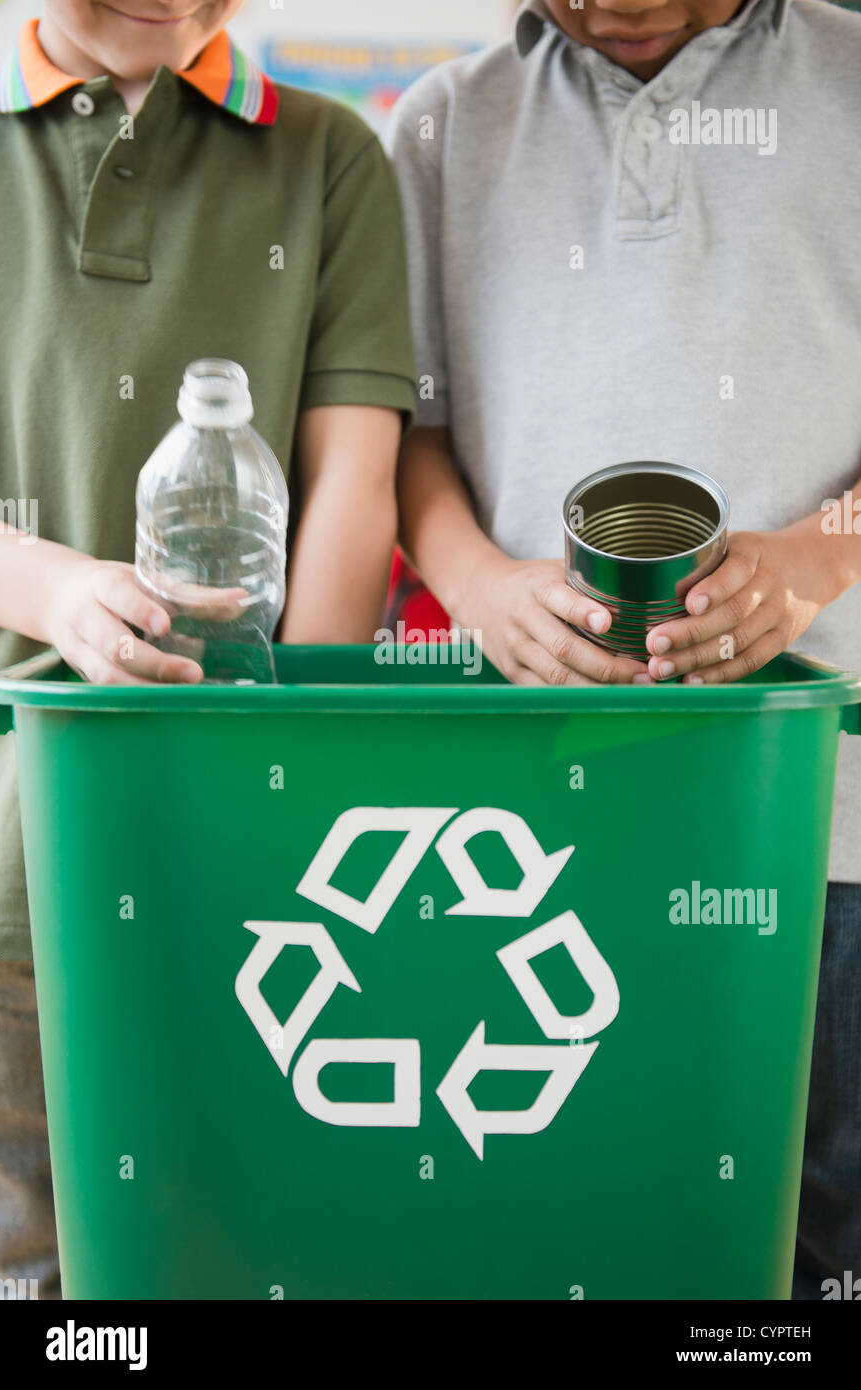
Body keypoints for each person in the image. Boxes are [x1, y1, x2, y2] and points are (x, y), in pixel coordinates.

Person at [386, 0, 861, 1298]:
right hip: (538, 833)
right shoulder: (439, 129)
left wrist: (822, 550)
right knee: (571, 1231)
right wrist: (479, 586)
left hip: (834, 835)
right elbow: (407, 435)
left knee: (835, 1221)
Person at [0, 1, 415, 1296]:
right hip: (13, 855)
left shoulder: (330, 155)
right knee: (28, 1239)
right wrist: (58, 593)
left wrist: (279, 773)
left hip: (249, 846)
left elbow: (355, 486)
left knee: (228, 1239)